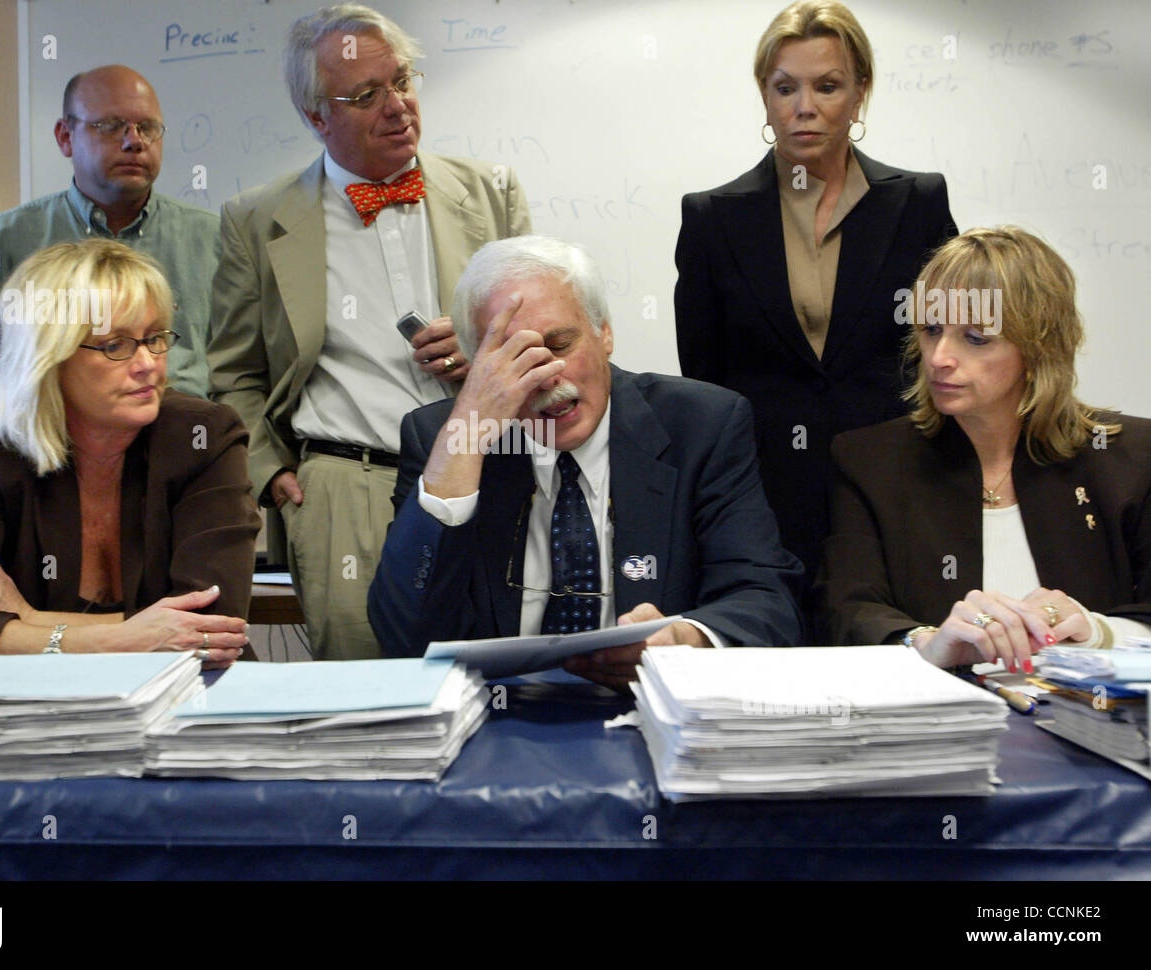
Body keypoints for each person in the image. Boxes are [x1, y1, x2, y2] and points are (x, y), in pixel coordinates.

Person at [208, 3, 530, 661]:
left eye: (404, 80)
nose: (399, 106)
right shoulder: (257, 219)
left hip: (483, 466)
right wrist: (271, 474)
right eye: (366, 95)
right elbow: (234, 371)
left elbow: (545, 327)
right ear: (316, 116)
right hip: (341, 488)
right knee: (363, 694)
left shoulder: (491, 192)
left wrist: (482, 351)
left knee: (489, 666)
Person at [369, 236, 803, 691]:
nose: (544, 377)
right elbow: (403, 635)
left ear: (605, 333)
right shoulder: (442, 439)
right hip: (498, 720)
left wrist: (685, 639)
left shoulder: (701, 425)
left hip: (645, 710)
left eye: (559, 344)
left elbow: (766, 600)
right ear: (478, 368)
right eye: (511, 359)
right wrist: (463, 442)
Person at [674, 0, 957, 610]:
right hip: (764, 495)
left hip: (896, 480)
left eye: (827, 86)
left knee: (899, 662)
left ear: (859, 93)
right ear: (765, 96)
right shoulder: (711, 217)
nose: (804, 107)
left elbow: (947, 348)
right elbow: (705, 383)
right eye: (785, 88)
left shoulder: (918, 203)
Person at [0, 238, 259, 667]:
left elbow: (209, 629)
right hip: (39, 711)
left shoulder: (204, 436)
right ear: (49, 359)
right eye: (116, 345)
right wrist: (122, 638)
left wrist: (28, 618)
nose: (148, 362)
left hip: (192, 703)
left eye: (155, 338)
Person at [818, 227, 1151, 672]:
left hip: (1092, 726)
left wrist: (1094, 630)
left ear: (1038, 348)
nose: (939, 358)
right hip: (939, 725)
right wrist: (926, 643)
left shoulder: (1130, 457)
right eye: (931, 330)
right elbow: (846, 611)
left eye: (975, 338)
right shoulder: (870, 460)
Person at [0, 65, 217, 397]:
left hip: (185, 432)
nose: (134, 141)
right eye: (111, 126)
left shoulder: (214, 241)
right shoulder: (0, 245)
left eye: (147, 128)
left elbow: (241, 369)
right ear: (65, 137)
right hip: (53, 439)